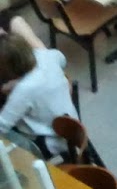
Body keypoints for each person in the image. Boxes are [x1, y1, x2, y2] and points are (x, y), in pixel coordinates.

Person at [0, 16, 77, 157]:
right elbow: (62, 60)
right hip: (70, 123)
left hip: (49, 140)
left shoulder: (23, 91)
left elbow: (2, 126)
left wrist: (17, 85)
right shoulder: (47, 55)